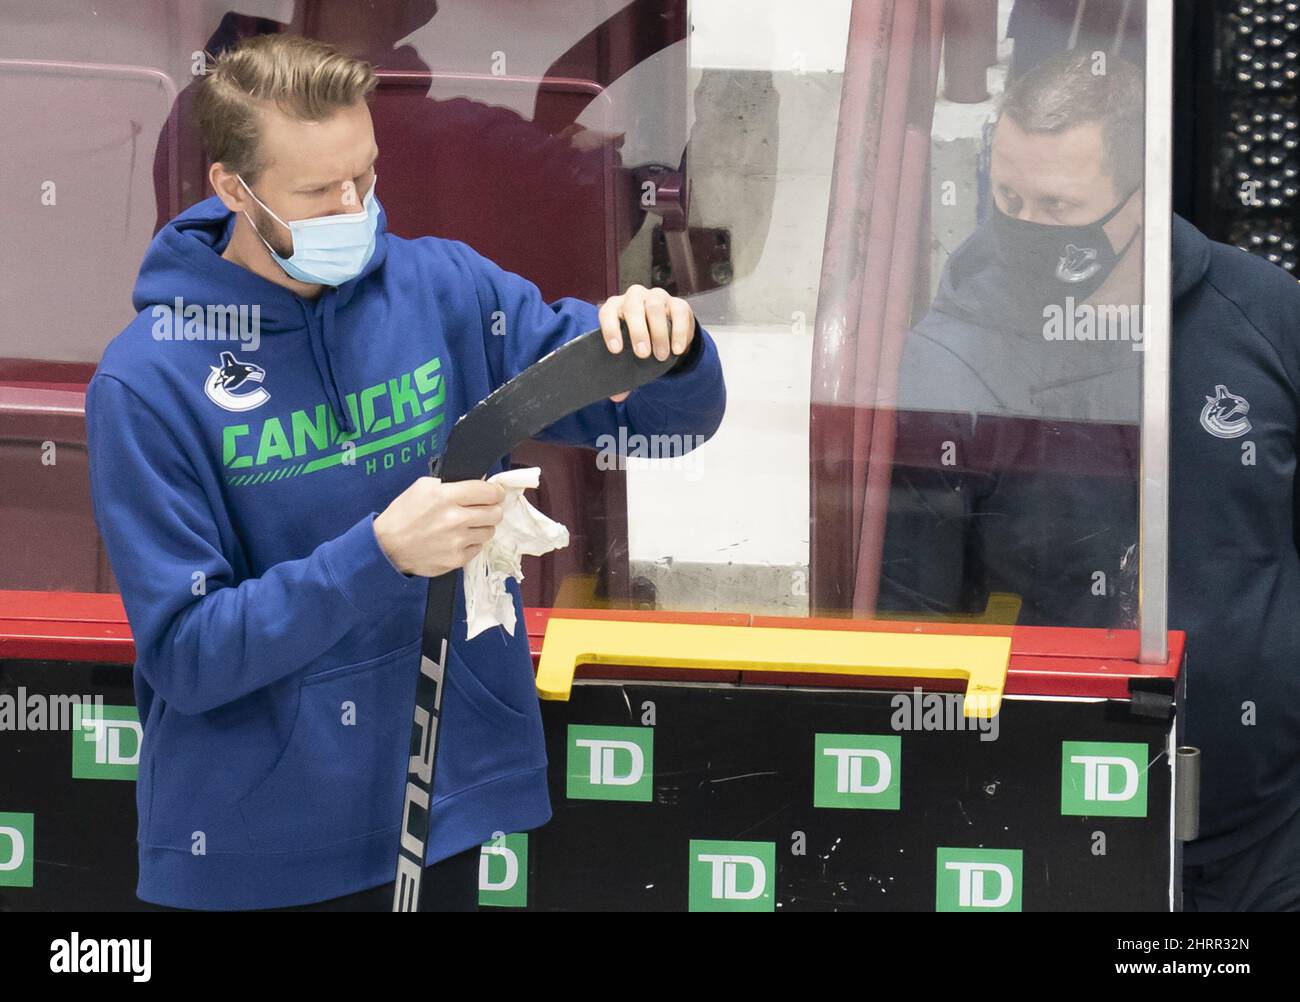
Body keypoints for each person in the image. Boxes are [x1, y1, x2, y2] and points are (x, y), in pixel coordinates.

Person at [86, 33, 726, 911]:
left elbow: (661, 420)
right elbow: (189, 656)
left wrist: (669, 346)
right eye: (317, 192)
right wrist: (378, 555)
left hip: (436, 816)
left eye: (366, 176)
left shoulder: (445, 290)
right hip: (249, 852)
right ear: (233, 189)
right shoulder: (149, 380)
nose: (353, 208)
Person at [878, 50, 1300, 910]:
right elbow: (911, 618)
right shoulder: (949, 356)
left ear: (1141, 198)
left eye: (1059, 207)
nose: (1026, 227)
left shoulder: (1264, 316)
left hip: (1264, 830)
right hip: (1055, 820)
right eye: (1009, 200)